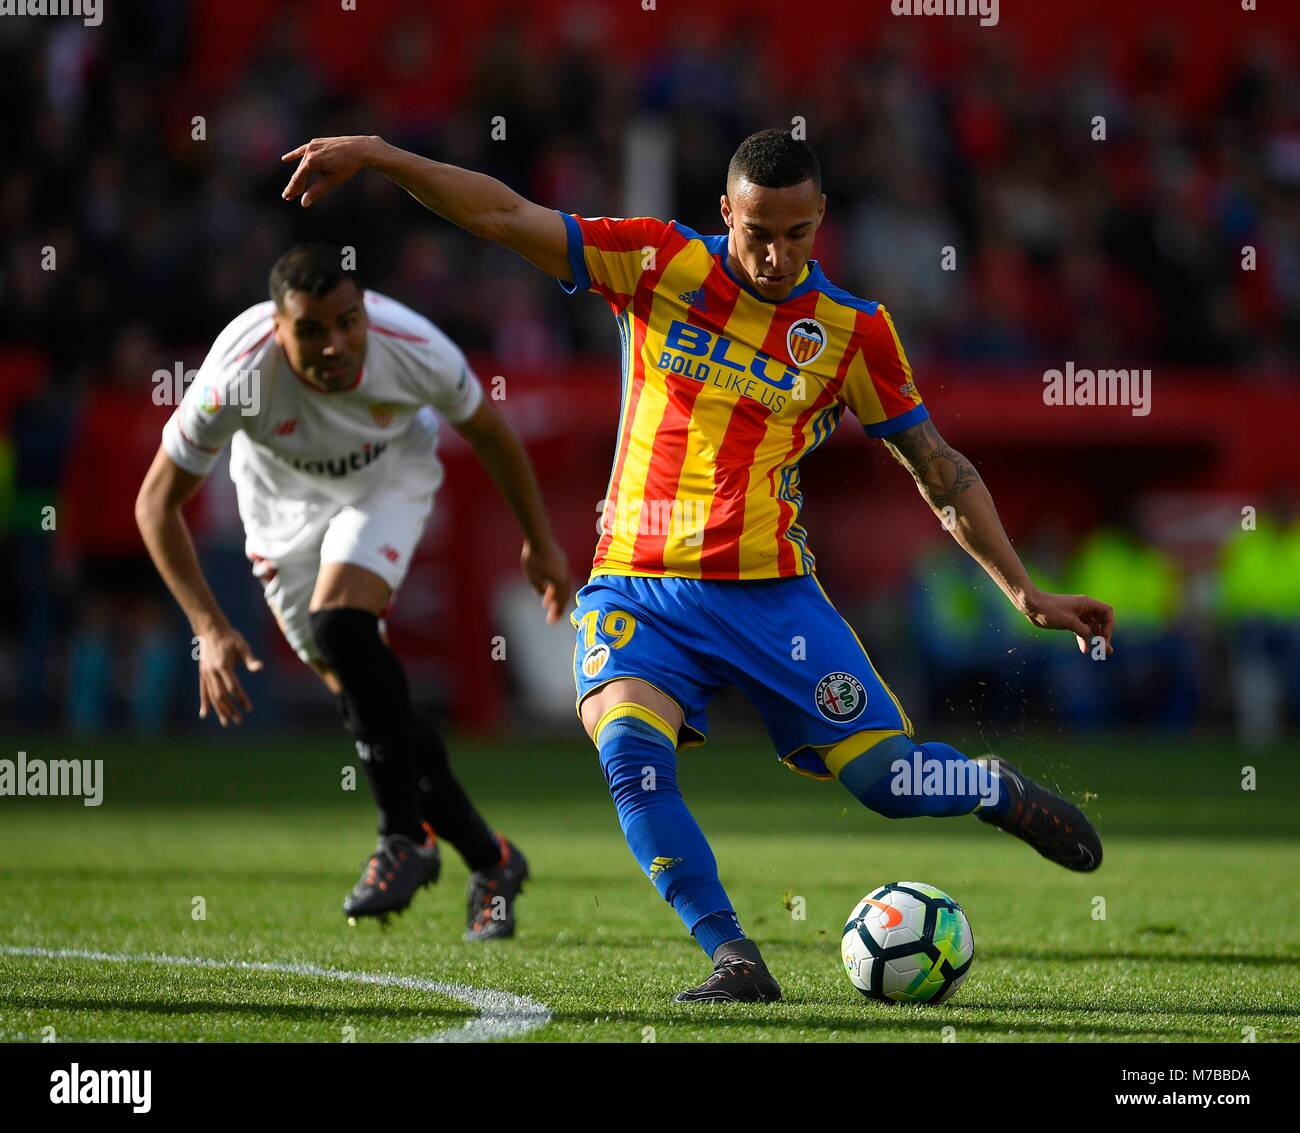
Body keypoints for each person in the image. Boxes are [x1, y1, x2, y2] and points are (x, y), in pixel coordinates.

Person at [280, 130, 1114, 1001]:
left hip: (773, 598)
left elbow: (941, 468)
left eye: (797, 233)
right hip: (637, 588)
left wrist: (1024, 589)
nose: (777, 253)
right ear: (726, 212)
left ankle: (988, 788)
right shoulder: (654, 261)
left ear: (821, 218)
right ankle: (733, 954)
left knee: (888, 782)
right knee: (632, 762)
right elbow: (499, 213)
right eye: (759, 230)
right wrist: (381, 155)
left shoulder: (854, 333)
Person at [136, 244, 570, 939]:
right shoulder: (236, 375)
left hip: (386, 479)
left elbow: (491, 433)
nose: (334, 345)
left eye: (347, 322)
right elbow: (155, 503)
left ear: (365, 313)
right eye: (311, 330)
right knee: (367, 697)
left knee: (341, 626)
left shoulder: (413, 346)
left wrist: (539, 541)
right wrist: (209, 628)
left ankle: (403, 838)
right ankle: (492, 860)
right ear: (277, 329)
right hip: (280, 507)